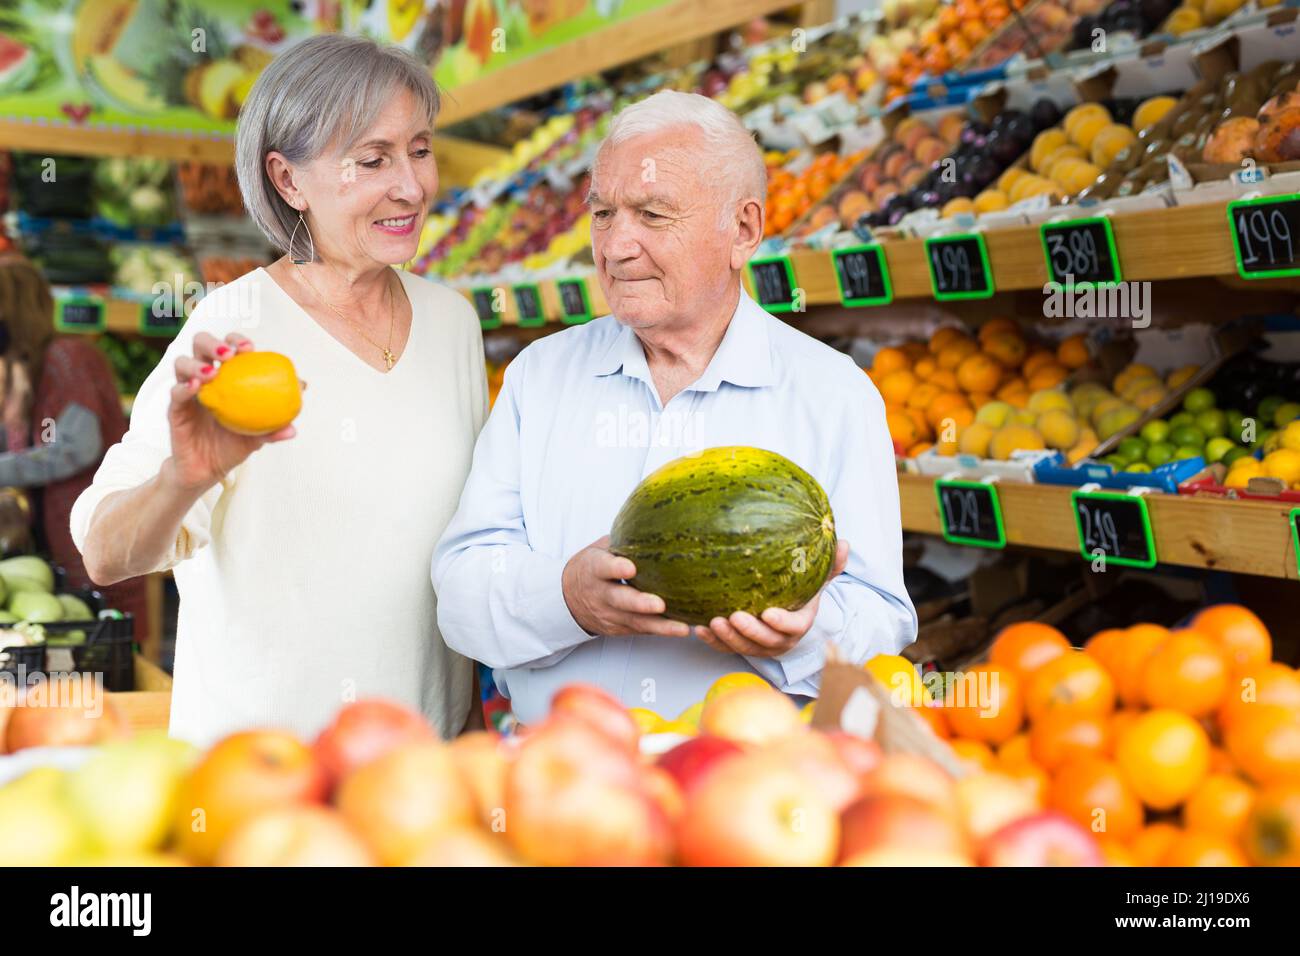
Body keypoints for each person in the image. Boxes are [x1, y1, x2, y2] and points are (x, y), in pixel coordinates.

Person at [433, 91, 916, 725]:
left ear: (742, 230)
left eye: (652, 214)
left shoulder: (834, 395)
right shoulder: (538, 377)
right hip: (556, 781)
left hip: (746, 790)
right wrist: (566, 600)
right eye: (602, 213)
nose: (615, 246)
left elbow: (883, 625)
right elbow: (461, 595)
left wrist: (805, 634)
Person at [72, 35, 486, 745]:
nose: (412, 187)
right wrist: (184, 476)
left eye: (420, 149)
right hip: (262, 775)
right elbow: (108, 554)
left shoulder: (454, 324)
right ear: (288, 181)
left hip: (419, 771)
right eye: (372, 159)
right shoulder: (234, 325)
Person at [0, 254, 146, 630]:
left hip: (96, 545)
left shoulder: (69, 357)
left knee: (109, 650)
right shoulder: (27, 371)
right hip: (66, 553)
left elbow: (76, 447)